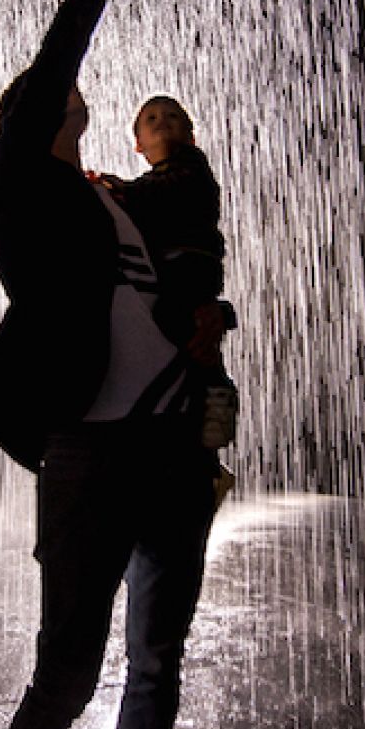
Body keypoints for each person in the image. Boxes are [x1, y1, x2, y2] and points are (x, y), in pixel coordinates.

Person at [0, 0, 220, 729]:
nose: (71, 90)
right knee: (66, 678)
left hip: (171, 447)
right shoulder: (12, 178)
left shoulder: (111, 198)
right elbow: (54, 68)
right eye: (50, 90)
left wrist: (206, 328)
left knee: (156, 666)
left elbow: (168, 286)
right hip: (92, 450)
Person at [94, 96, 239, 466]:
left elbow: (159, 195)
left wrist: (117, 190)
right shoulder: (153, 181)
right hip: (174, 272)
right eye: (152, 118)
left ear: (191, 138)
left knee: (180, 326)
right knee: (182, 335)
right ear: (138, 145)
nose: (163, 121)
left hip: (190, 267)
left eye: (173, 116)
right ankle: (204, 401)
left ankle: (216, 390)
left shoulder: (191, 168)